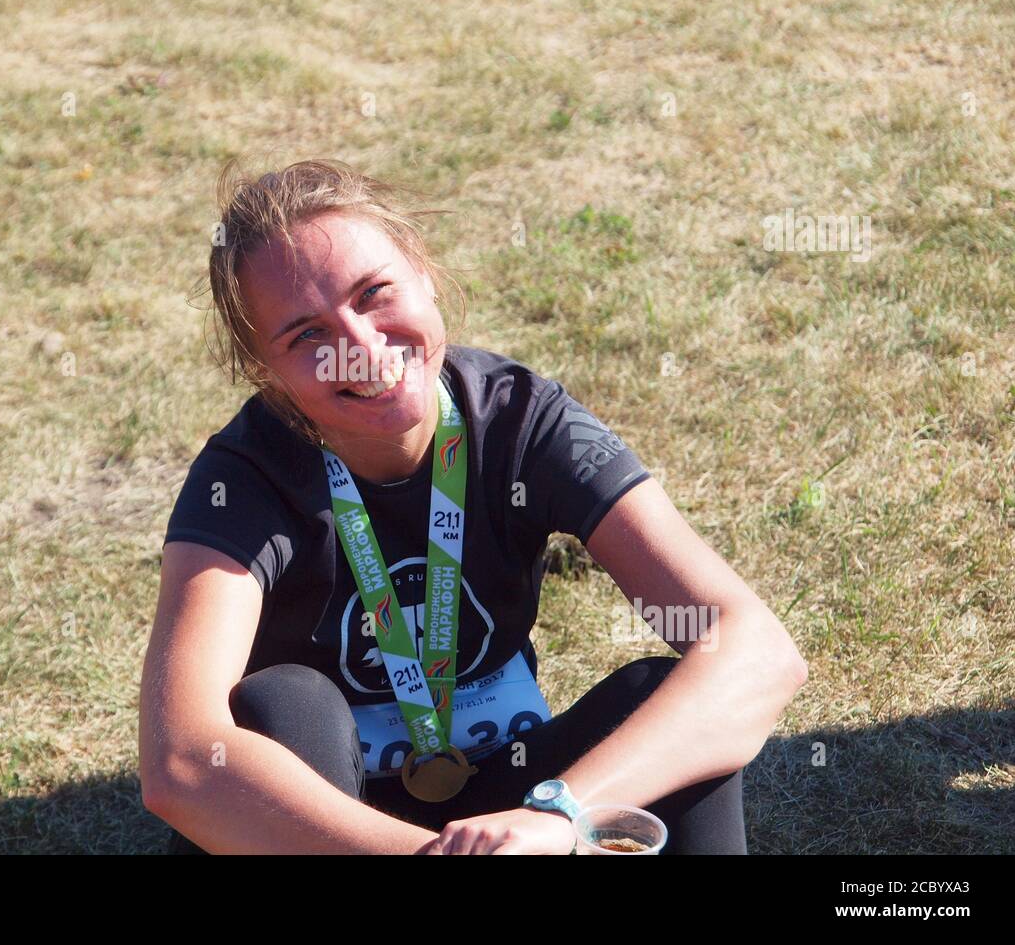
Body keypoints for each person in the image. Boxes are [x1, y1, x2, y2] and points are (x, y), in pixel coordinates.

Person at [138, 158, 808, 855]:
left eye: (373, 293)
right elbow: (182, 762)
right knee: (286, 704)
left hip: (510, 799)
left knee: (660, 695)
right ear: (263, 370)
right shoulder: (241, 480)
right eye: (306, 335)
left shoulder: (522, 421)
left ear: (424, 272)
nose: (360, 348)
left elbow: (756, 652)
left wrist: (559, 816)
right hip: (328, 824)